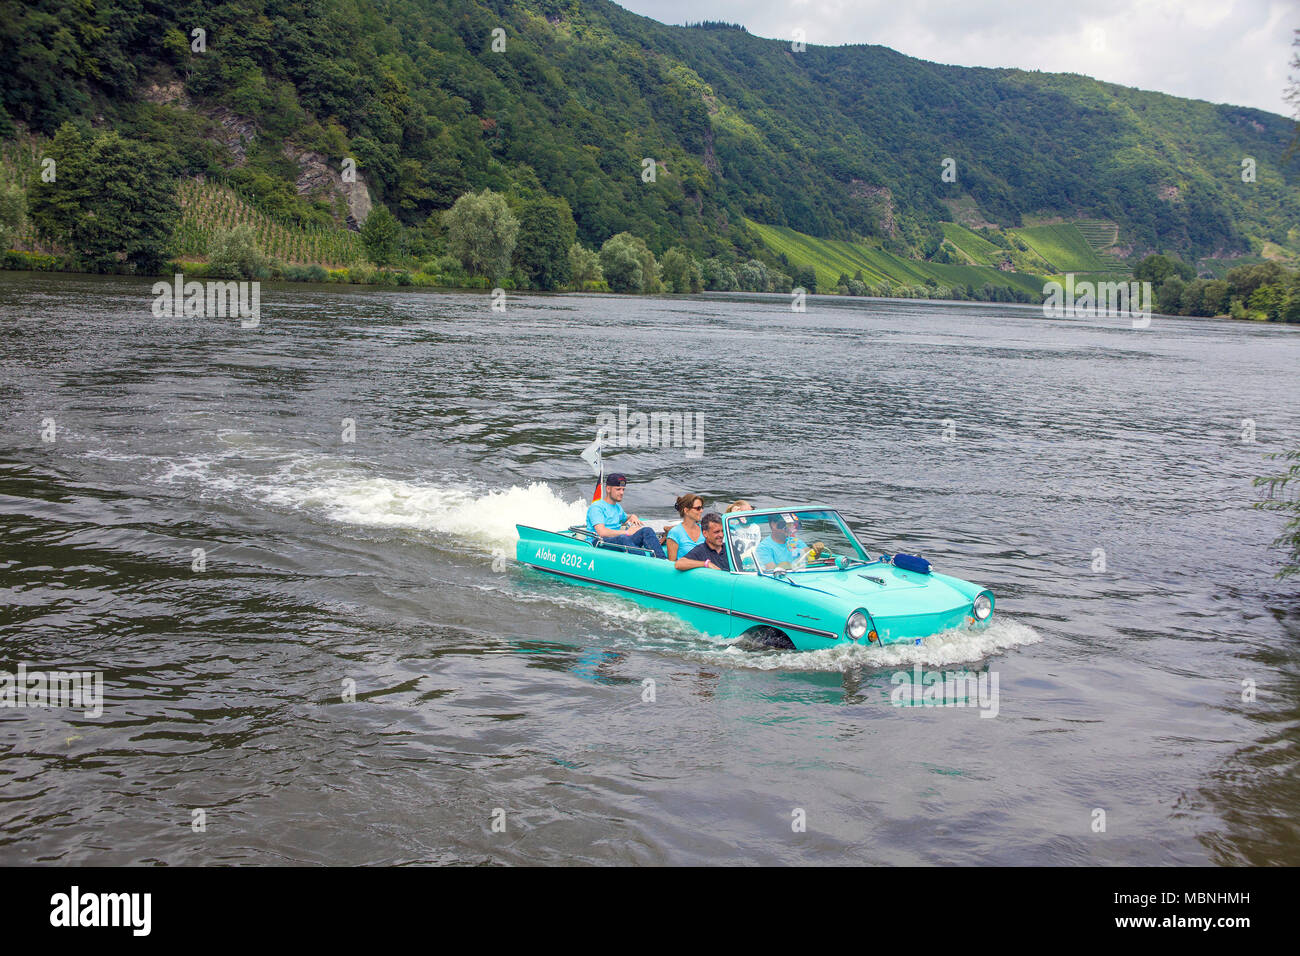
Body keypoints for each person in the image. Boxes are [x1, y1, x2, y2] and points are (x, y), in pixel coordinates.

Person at [586, 473, 666, 558]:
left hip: (616, 541)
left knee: (647, 531)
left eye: (623, 489)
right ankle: (644, 563)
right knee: (623, 538)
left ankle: (662, 561)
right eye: (618, 489)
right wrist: (627, 532)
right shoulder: (596, 507)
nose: (621, 492)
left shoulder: (617, 507)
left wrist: (633, 516)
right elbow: (602, 532)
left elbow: (626, 518)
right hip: (599, 543)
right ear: (608, 489)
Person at [665, 493, 705, 560]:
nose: (701, 511)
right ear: (686, 510)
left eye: (702, 508)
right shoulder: (675, 533)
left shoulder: (704, 530)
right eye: (698, 508)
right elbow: (672, 564)